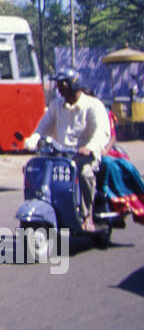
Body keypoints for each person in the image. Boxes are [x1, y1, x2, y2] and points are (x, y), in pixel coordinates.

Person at [24, 68, 112, 228]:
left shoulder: (93, 106)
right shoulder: (56, 106)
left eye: (62, 84)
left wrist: (90, 147)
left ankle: (87, 216)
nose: (59, 87)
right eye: (58, 84)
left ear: (72, 84)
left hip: (84, 156)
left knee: (84, 173)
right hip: (59, 155)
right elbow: (43, 126)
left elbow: (102, 131)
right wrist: (34, 139)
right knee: (35, 169)